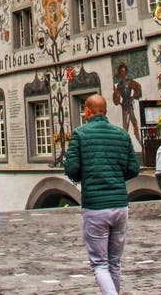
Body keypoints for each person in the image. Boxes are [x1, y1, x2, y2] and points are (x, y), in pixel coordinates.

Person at [64, 94, 140, 295]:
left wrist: (87, 174)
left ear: (87, 112)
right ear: (105, 111)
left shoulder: (80, 134)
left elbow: (71, 169)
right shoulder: (122, 135)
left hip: (96, 207)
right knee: (114, 262)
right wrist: (115, 177)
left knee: (99, 264)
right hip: (120, 205)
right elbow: (133, 168)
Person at [112, 61, 142, 145]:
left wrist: (133, 97)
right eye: (121, 71)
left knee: (134, 121)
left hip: (129, 104)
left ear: (126, 72)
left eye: (124, 71)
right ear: (120, 73)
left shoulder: (130, 82)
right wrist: (117, 96)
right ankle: (126, 143)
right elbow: (116, 99)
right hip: (124, 105)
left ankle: (139, 139)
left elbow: (138, 88)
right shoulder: (119, 85)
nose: (123, 73)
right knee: (125, 125)